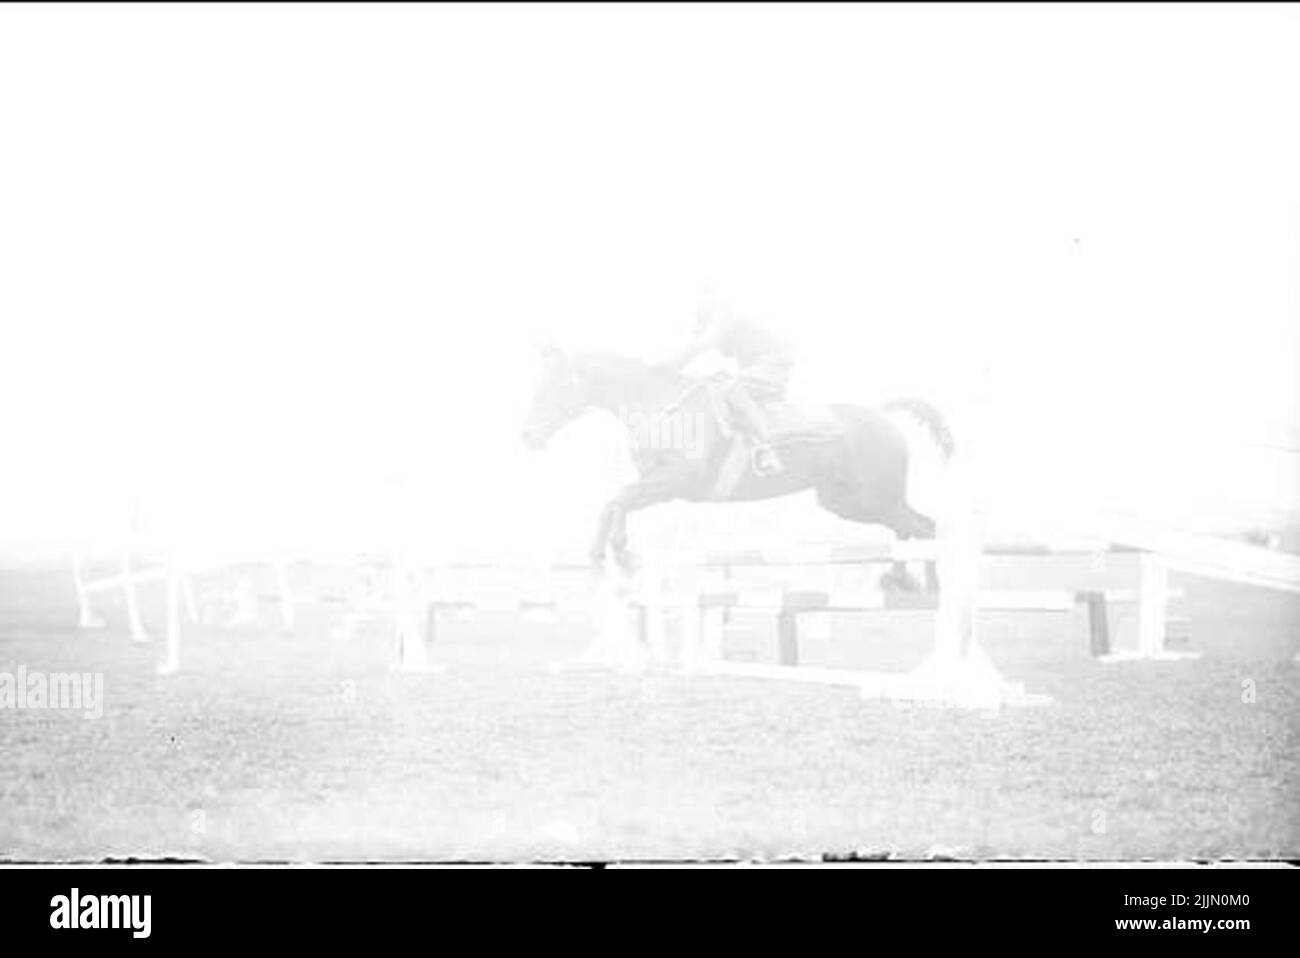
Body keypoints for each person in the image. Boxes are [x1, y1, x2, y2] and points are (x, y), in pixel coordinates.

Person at [659, 302, 796, 475]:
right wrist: (676, 406)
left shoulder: (724, 313)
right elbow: (704, 378)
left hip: (773, 365)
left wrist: (669, 366)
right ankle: (739, 437)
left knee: (731, 389)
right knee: (716, 381)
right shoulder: (715, 320)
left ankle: (768, 447)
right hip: (757, 369)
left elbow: (703, 344)